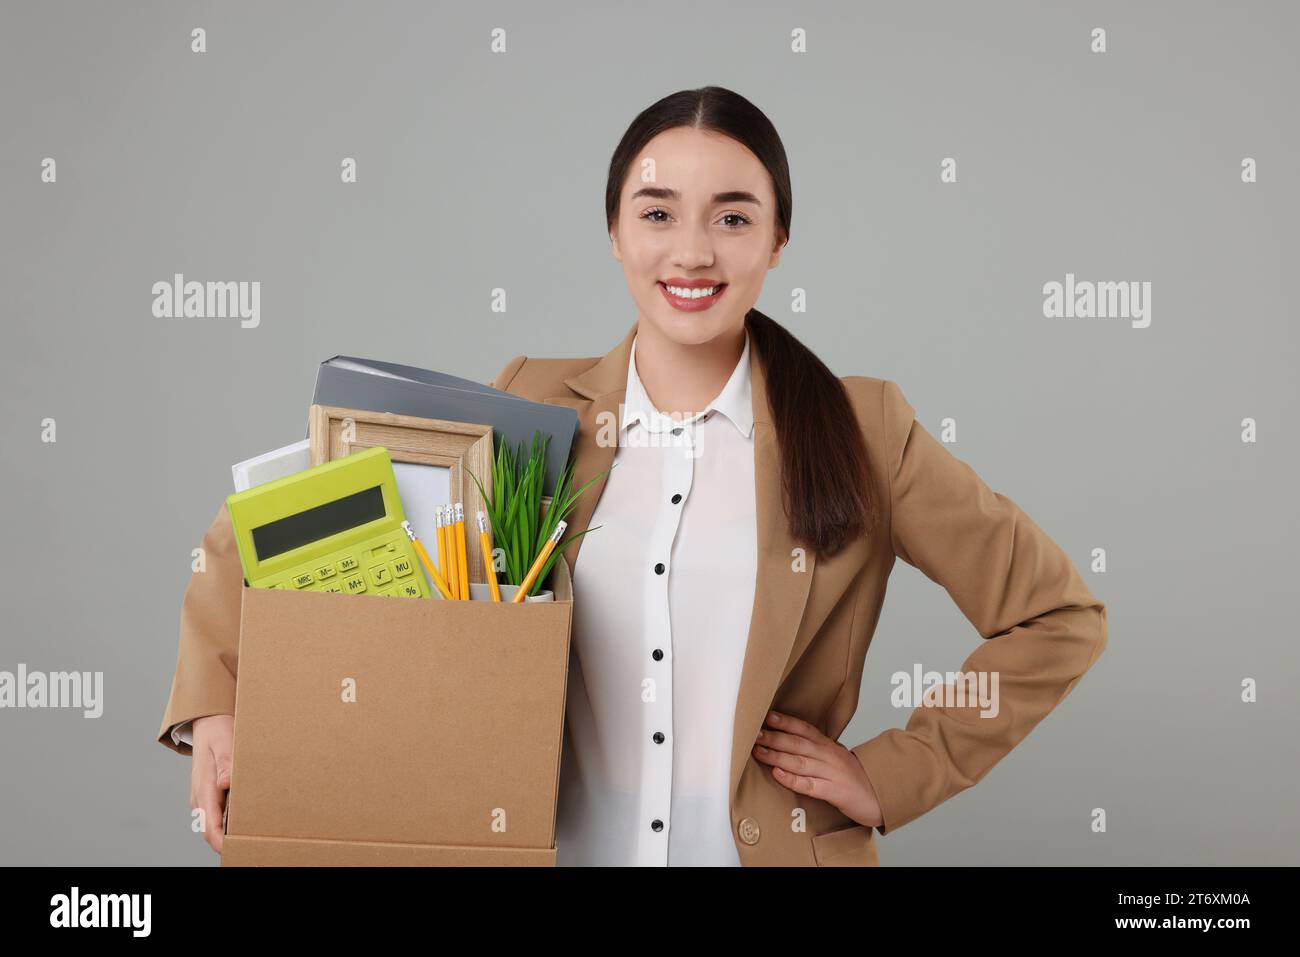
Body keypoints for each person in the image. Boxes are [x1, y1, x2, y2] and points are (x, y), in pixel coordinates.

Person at [159, 86, 1107, 866]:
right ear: (615, 232)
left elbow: (1058, 618)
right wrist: (218, 709)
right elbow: (276, 520)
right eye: (658, 214)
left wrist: (893, 774)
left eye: (733, 217)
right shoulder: (532, 409)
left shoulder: (865, 428)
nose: (692, 251)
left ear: (778, 240)